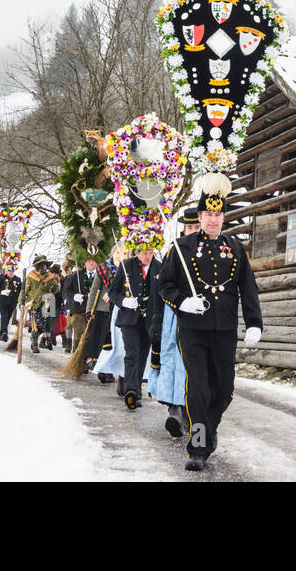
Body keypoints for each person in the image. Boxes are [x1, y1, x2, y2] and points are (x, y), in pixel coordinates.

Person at [158, 174, 262, 471]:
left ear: (223, 217)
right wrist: (182, 302)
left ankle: (209, 427)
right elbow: (165, 286)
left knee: (224, 388)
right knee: (199, 388)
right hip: (193, 329)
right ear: (200, 217)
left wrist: (254, 322)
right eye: (208, 215)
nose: (213, 220)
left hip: (225, 328)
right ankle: (199, 447)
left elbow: (248, 287)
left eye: (218, 214)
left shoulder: (235, 247)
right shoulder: (182, 247)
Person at [149, 209, 197, 437]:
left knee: (192, 365)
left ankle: (190, 413)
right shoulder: (174, 252)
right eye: (190, 228)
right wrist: (157, 319)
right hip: (174, 317)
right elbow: (162, 287)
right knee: (172, 361)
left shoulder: (213, 251)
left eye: (197, 227)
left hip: (201, 319)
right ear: (183, 229)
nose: (194, 231)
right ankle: (174, 412)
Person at [112, 246, 160, 409]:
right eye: (144, 253)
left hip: (149, 321)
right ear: (137, 253)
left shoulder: (159, 267)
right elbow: (113, 292)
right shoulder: (126, 265)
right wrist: (123, 302)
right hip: (129, 319)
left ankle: (137, 390)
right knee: (132, 354)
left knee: (142, 355)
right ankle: (130, 391)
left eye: (150, 253)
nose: (148, 257)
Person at [0, 266, 23, 342]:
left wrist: (19, 301)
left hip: (12, 301)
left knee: (8, 317)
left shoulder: (17, 279)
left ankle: (3, 331)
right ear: (6, 271)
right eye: (9, 271)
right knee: (4, 316)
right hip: (3, 301)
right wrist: (1, 292)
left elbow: (20, 291)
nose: (10, 273)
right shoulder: (1, 278)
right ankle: (4, 332)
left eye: (12, 271)